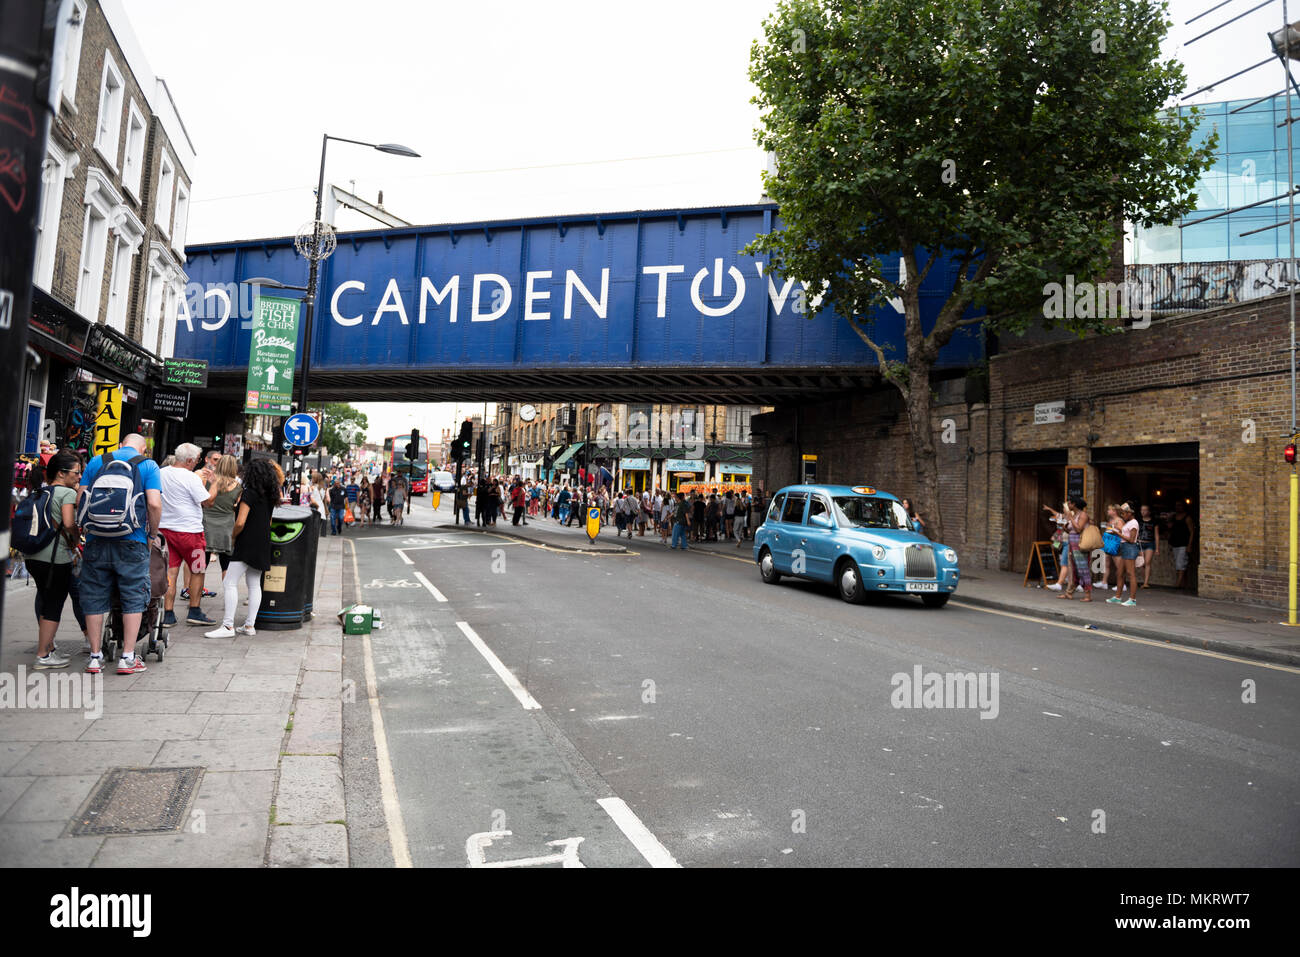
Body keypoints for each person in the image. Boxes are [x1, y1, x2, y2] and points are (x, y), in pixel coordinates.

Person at [77, 433, 163, 675]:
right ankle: (127, 657)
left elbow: (80, 498)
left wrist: (86, 528)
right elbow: (154, 504)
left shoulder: (97, 462)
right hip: (132, 539)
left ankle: (95, 657)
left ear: (121, 445)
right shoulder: (148, 465)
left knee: (93, 595)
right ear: (144, 449)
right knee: (133, 595)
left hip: (96, 539)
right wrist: (152, 535)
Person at [205, 458, 281, 639]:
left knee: (229, 582)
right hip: (263, 542)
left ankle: (228, 626)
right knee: (254, 584)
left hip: (246, 541)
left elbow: (240, 522)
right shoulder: (271, 495)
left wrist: (233, 536)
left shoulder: (249, 493)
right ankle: (249, 625)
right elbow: (268, 522)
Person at [22, 450, 84, 669]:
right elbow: (68, 523)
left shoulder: (41, 491)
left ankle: (46, 648)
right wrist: (76, 538)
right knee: (54, 605)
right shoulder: (66, 494)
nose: (79, 477)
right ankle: (44, 655)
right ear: (61, 473)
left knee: (46, 598)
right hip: (55, 558)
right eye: (76, 473)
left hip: (33, 556)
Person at [160, 443, 220, 628]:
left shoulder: (161, 473)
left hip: (165, 529)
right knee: (197, 570)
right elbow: (208, 502)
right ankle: (194, 610)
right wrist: (215, 482)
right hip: (190, 532)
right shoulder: (191, 477)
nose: (196, 463)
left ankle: (168, 613)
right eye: (196, 460)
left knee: (170, 572)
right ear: (188, 460)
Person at [202, 454, 243, 584]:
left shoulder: (212, 482)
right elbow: (238, 506)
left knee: (202, 565)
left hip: (207, 525)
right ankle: (228, 596)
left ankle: (195, 595)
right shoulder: (238, 486)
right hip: (227, 527)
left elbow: (206, 499)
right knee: (226, 565)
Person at [1060, 497, 1094, 602]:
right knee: (1073, 569)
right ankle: (1069, 593)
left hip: (1080, 545)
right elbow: (1071, 530)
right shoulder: (1074, 515)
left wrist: (1070, 518)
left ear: (1074, 504)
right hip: (1072, 544)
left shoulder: (1083, 515)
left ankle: (1088, 595)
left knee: (1083, 569)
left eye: (1069, 503)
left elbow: (1079, 529)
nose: (1068, 506)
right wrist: (1064, 526)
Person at [1107, 503, 1140, 606]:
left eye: (1124, 513)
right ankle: (1118, 597)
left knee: (1131, 573)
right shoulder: (1129, 522)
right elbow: (1125, 534)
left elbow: (1131, 540)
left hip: (1130, 548)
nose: (1122, 515)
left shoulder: (1134, 523)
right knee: (1119, 573)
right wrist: (1116, 532)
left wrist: (1118, 534)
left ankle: (1132, 599)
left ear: (1130, 513)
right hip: (1124, 548)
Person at [1167, 501, 1196, 590]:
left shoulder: (1187, 518)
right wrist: (1169, 518)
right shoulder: (1174, 517)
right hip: (1175, 543)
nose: (1178, 507)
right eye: (1176, 506)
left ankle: (1178, 583)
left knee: (1181, 563)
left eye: (1180, 506)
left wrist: (1189, 545)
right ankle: (1184, 583)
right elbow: (1169, 527)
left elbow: (1192, 532)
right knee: (1179, 563)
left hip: (1184, 544)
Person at [1138, 503, 1159, 588]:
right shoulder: (1138, 521)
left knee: (1147, 562)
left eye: (1145, 510)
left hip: (1150, 543)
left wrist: (1157, 548)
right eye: (1142, 510)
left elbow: (1156, 535)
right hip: (1140, 543)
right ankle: (1144, 581)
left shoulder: (1154, 522)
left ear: (1149, 511)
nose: (1143, 512)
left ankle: (1146, 582)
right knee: (1142, 563)